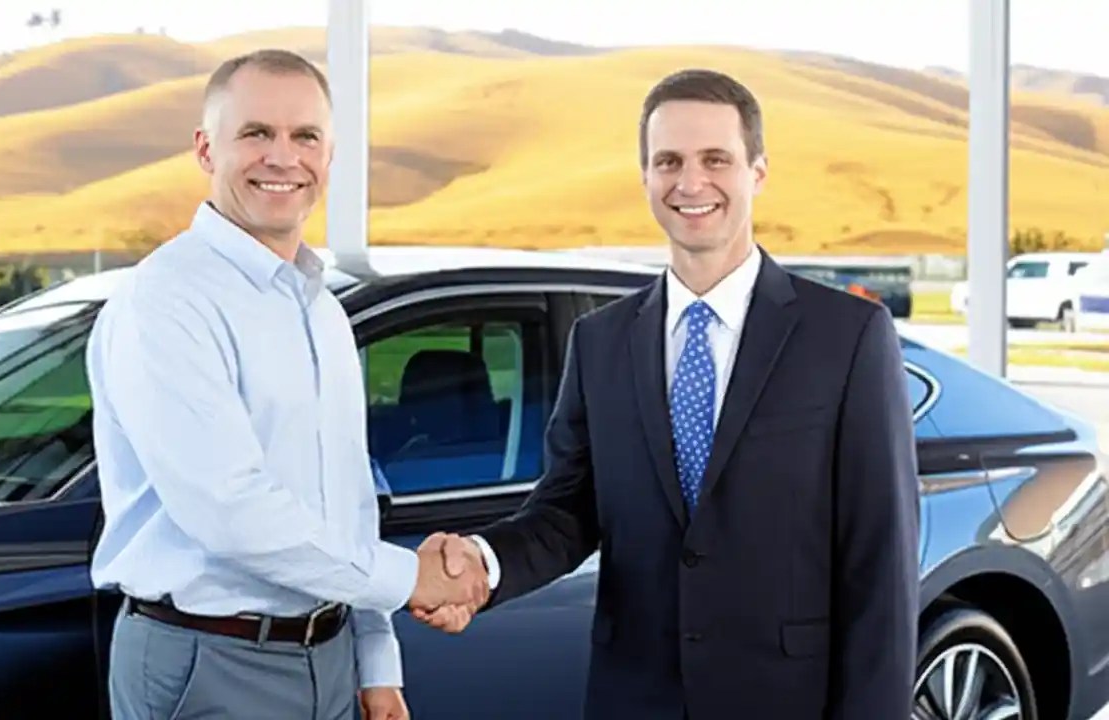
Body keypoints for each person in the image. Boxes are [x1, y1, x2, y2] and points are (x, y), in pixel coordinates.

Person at [416, 68, 920, 719]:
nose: (691, 182)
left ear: (757, 172)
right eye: (669, 162)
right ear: (646, 178)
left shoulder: (846, 337)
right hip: (635, 698)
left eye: (716, 159)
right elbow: (566, 512)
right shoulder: (600, 343)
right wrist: (483, 562)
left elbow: (878, 565)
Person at [86, 49, 487, 720]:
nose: (283, 157)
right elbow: (230, 508)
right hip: (208, 662)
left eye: (305, 136)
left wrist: (374, 656)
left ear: (330, 157)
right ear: (206, 149)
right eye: (256, 134)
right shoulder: (167, 300)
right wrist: (407, 578)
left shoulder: (318, 307)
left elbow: (347, 498)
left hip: (326, 657)